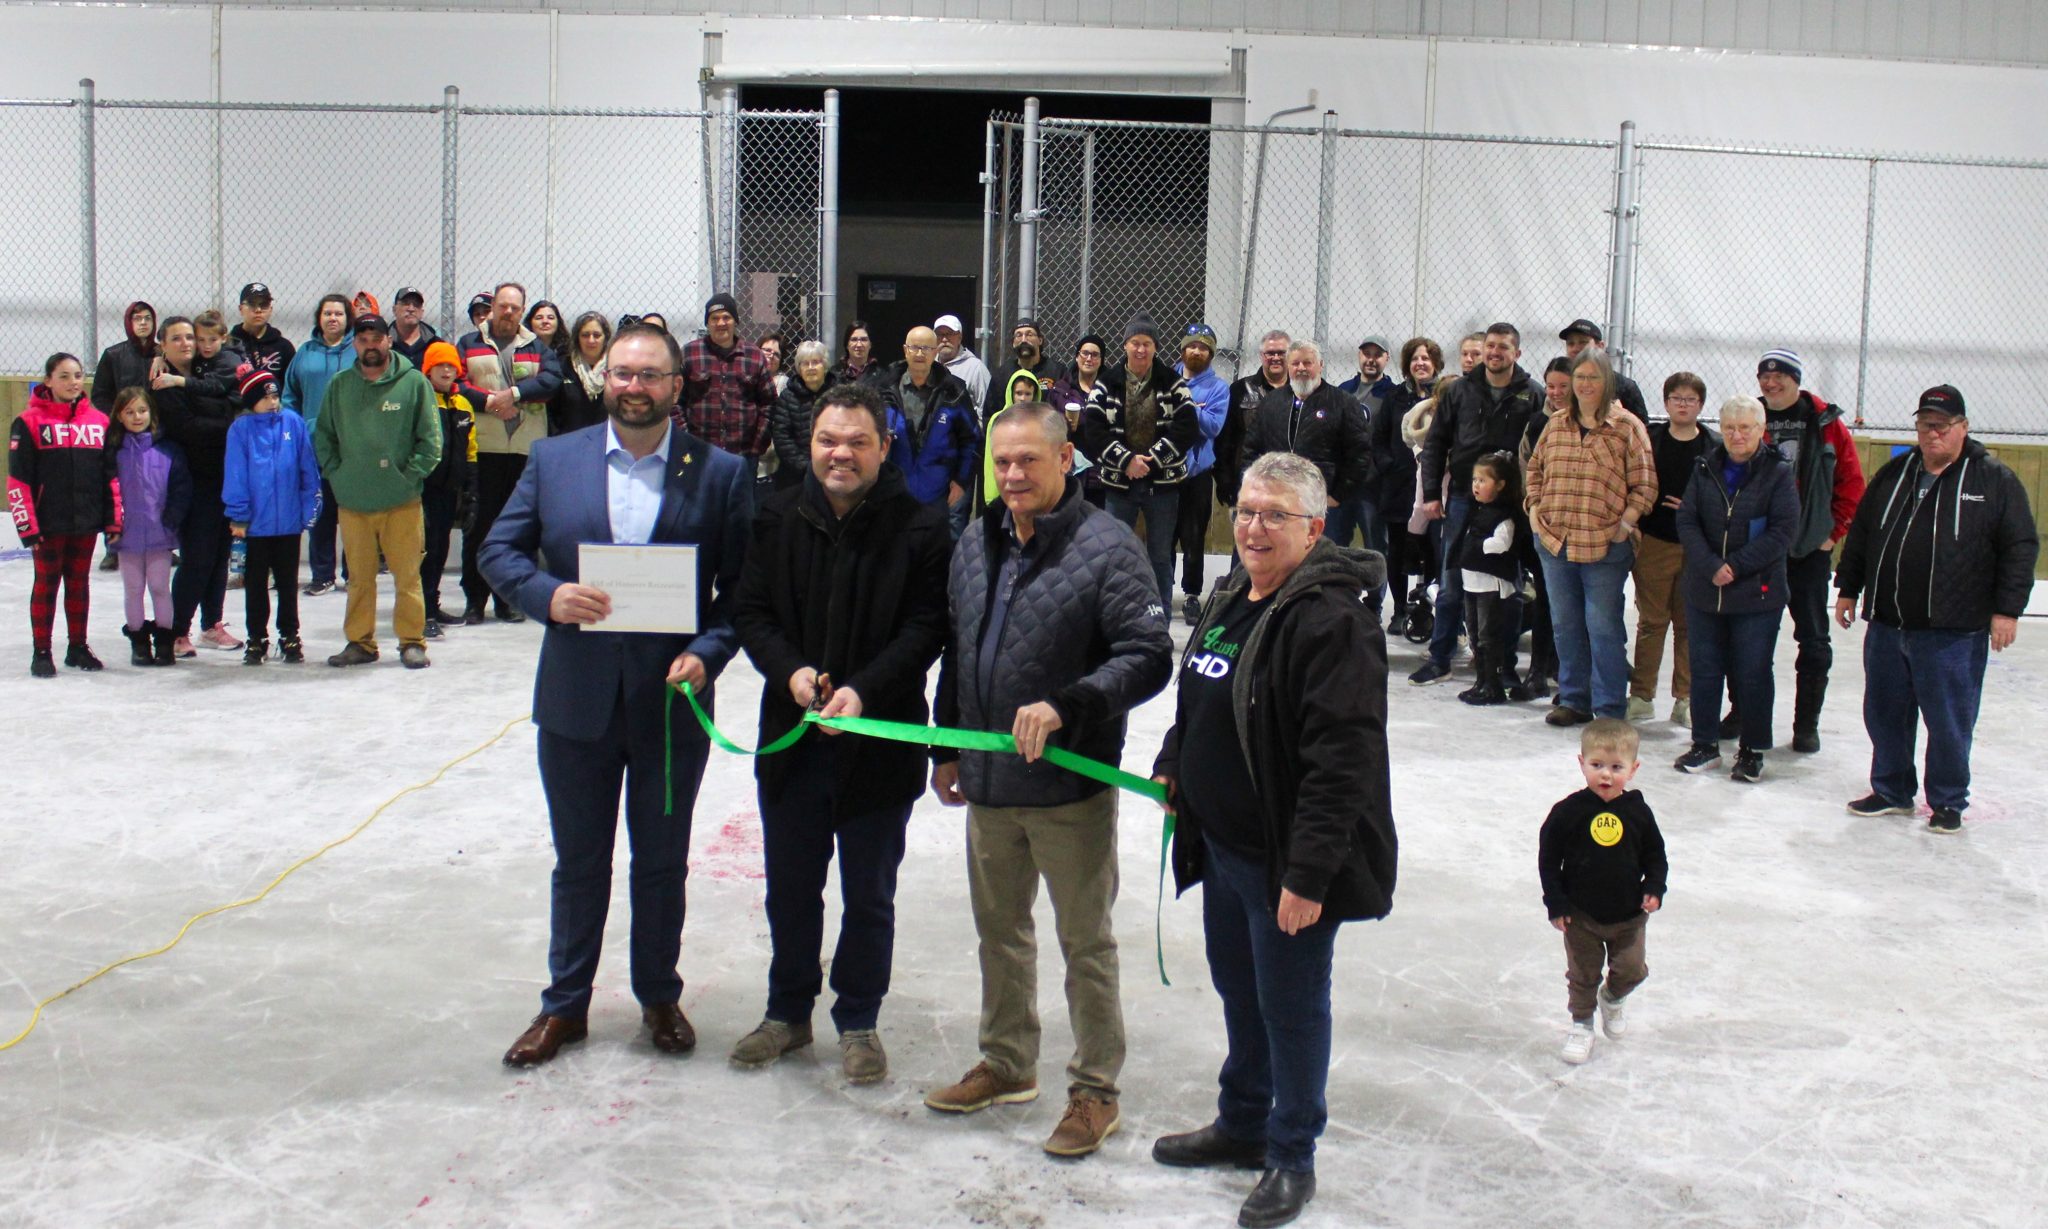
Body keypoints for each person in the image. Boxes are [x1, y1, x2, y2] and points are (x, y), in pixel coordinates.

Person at [479, 322, 752, 1068]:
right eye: (624, 374)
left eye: (651, 375)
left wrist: (707, 651)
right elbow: (497, 550)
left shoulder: (721, 473)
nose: (635, 387)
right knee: (579, 860)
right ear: (607, 382)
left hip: (671, 705)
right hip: (575, 701)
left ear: (676, 385)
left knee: (661, 861)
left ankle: (659, 994)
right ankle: (564, 1004)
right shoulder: (553, 460)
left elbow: (743, 594)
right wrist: (547, 593)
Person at [1149, 451, 1396, 1229]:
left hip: (1281, 861)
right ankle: (1244, 1119)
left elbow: (1343, 762)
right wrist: (1174, 763)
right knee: (1239, 990)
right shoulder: (1235, 592)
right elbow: (1203, 694)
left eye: (1274, 516)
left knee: (1290, 1008)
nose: (1252, 528)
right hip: (1222, 846)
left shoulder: (1332, 620)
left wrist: (1309, 875)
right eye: (1247, 511)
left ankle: (1292, 1152)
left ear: (1315, 528)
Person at [926, 401, 1173, 1159]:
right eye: (1001, 463)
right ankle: (1007, 1063)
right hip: (991, 785)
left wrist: (1071, 706)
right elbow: (959, 641)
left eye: (1028, 461)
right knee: (1000, 934)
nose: (1012, 475)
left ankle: (1095, 1088)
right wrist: (946, 742)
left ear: (1066, 460)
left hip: (1068, 792)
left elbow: (1149, 653)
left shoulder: (1108, 548)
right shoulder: (977, 539)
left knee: (1083, 942)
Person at [730, 383, 951, 1083]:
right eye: (829, 440)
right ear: (811, 444)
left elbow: (927, 628)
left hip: (879, 745)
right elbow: (752, 612)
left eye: (858, 441)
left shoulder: (919, 527)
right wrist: (792, 673)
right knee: (791, 887)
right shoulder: (774, 517)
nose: (841, 453)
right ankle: (787, 1011)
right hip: (792, 741)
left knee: (869, 891)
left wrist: (864, 688)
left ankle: (858, 1017)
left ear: (885, 448)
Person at [1835, 385, 2038, 833]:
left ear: (1963, 428)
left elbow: (2020, 547)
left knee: (1948, 721)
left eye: (1942, 427)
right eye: (1925, 425)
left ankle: (1947, 801)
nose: (1932, 435)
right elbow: (1865, 532)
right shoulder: (1895, 474)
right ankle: (1890, 790)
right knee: (1884, 713)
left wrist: (2007, 610)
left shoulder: (1993, 481)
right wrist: (1848, 587)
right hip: (1888, 623)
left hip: (1953, 630)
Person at [1727, 348, 1865, 752]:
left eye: (1779, 376)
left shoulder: (1827, 425)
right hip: (1758, 552)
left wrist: (1831, 534)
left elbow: (1851, 485)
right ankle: (1743, 713)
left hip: (1807, 553)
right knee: (1747, 639)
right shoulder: (1752, 419)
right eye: (1764, 377)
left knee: (1814, 640)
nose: (1770, 383)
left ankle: (1807, 724)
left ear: (1796, 379)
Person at [1525, 348, 1657, 725]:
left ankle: (1610, 707)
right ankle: (1574, 699)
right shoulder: (1556, 424)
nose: (1584, 385)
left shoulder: (1627, 427)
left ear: (1607, 383)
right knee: (1566, 626)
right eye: (1579, 378)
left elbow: (1645, 484)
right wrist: (1534, 511)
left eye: (1592, 378)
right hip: (1555, 543)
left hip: (1605, 547)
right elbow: (1534, 470)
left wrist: (1626, 524)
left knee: (1603, 628)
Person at [1672, 396, 1798, 781]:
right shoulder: (1705, 467)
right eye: (1730, 427)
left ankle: (1752, 749)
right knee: (1705, 669)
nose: (1737, 435)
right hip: (1705, 589)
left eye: (1745, 428)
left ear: (1761, 431)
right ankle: (1704, 744)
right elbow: (1688, 520)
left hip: (1756, 593)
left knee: (1753, 671)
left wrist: (1736, 566)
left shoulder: (1778, 473)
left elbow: (1782, 532)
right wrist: (1711, 566)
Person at [1413, 323, 1546, 686]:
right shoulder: (1459, 391)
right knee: (1452, 581)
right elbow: (1436, 444)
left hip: (1510, 506)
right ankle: (1440, 658)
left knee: (1509, 586)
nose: (1495, 353)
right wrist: (1430, 495)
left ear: (1517, 354)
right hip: (1461, 498)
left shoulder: (1532, 395)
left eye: (1504, 347)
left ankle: (1502, 666)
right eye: (1490, 345)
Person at [313, 314, 441, 669]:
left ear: (388, 340)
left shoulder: (414, 383)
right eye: (363, 339)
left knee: (407, 577)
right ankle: (360, 643)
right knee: (358, 579)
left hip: (401, 501)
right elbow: (323, 436)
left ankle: (412, 642)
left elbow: (431, 441)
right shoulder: (339, 386)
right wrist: (338, 475)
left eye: (377, 338)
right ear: (355, 343)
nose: (370, 345)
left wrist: (409, 478)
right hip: (354, 501)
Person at [1538, 718, 1666, 1065]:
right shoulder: (1568, 813)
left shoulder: (1638, 812)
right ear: (1581, 764)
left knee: (1633, 969)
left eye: (1616, 767)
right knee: (1582, 976)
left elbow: (1655, 854)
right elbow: (1549, 859)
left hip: (1629, 916)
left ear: (1633, 768)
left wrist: (1654, 886)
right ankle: (1581, 1025)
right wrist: (1556, 903)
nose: (1606, 776)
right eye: (1596, 766)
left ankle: (1612, 996)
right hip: (1581, 916)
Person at [1080, 313, 1203, 609]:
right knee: (1115, 551)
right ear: (1125, 345)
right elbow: (1093, 429)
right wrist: (1126, 462)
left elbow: (1187, 427)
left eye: (1147, 343)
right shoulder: (1106, 383)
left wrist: (1152, 459)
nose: (1140, 349)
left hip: (1162, 486)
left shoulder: (1173, 383)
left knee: (1160, 555)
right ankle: (1113, 613)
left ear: (1156, 347)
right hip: (1119, 485)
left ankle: (1159, 615)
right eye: (1135, 342)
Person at [457, 282, 563, 624]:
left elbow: (551, 381)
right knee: (479, 527)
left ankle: (510, 600)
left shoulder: (535, 345)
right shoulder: (469, 343)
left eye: (514, 307)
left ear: (522, 310)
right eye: (502, 305)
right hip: (483, 448)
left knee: (519, 528)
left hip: (522, 450)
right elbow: (456, 382)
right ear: (493, 307)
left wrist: (514, 393)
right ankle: (475, 600)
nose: (507, 312)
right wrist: (487, 401)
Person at [9, 353, 115, 676]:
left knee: (79, 583)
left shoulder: (99, 422)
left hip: (85, 521)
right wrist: (28, 527)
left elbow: (111, 476)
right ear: (48, 381)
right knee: (46, 584)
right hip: (47, 524)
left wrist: (112, 520)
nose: (73, 383)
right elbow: (18, 481)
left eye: (78, 375)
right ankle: (42, 650)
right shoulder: (28, 423)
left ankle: (78, 646)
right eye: (65, 376)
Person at [153, 317, 243, 656]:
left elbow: (230, 397)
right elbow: (187, 428)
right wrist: (228, 424)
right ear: (163, 344)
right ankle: (177, 630)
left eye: (190, 337)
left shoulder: (206, 373)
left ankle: (211, 624)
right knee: (198, 557)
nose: (187, 343)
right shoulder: (163, 384)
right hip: (192, 481)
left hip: (222, 477)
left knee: (220, 554)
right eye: (177, 338)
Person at [1628, 373, 1715, 725]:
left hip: (1696, 547)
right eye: (1676, 398)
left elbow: (1722, 498)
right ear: (1665, 403)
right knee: (1651, 621)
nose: (1683, 404)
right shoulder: (1650, 441)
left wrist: (1694, 508)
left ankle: (1685, 699)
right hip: (1655, 542)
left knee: (1689, 624)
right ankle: (1641, 696)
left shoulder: (1713, 447)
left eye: (1690, 399)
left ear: (1700, 405)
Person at [1239, 341, 1371, 567]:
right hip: (1276, 502)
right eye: (1295, 363)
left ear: (1320, 365)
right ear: (1288, 367)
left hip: (1325, 505)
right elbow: (1251, 449)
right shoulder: (1272, 403)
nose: (1301, 368)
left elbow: (1359, 454)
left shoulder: (1343, 403)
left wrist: (1337, 495)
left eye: (1307, 362)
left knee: (1322, 566)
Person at [221, 367, 321, 665]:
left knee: (288, 583)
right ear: (251, 401)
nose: (273, 401)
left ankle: (290, 634)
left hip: (288, 523)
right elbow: (236, 475)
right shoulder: (241, 430)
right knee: (255, 584)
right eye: (265, 397)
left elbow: (308, 469)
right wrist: (239, 515)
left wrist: (309, 507)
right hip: (256, 526)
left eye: (275, 395)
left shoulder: (294, 423)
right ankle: (257, 637)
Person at [106, 388, 191, 667]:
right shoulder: (113, 453)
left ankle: (165, 642)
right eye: (129, 412)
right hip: (126, 534)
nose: (136, 416)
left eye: (141, 410)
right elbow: (105, 491)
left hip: (160, 533)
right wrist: (111, 524)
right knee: (133, 588)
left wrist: (171, 520)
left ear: (151, 412)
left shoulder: (168, 450)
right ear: (119, 415)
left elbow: (181, 489)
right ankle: (139, 642)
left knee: (159, 587)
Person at [864, 325, 977, 525]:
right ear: (905, 350)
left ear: (935, 352)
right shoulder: (882, 390)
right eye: (914, 347)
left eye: (926, 348)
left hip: (937, 496)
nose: (919, 353)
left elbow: (972, 440)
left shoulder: (954, 391)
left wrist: (961, 481)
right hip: (893, 495)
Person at [284, 294, 355, 597]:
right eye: (327, 313)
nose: (333, 319)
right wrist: (300, 430)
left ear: (347, 318)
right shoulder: (305, 353)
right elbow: (289, 396)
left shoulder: (359, 352)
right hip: (315, 449)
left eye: (338, 313)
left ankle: (355, 574)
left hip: (353, 449)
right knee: (322, 514)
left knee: (353, 515)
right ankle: (322, 575)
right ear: (319, 318)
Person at [1370, 338, 1439, 636]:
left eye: (1425, 358)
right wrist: (1390, 466)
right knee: (1396, 551)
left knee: (1432, 550)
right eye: (1414, 359)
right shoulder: (1394, 398)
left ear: (1435, 363)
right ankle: (1399, 610)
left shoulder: (1445, 395)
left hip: (1434, 489)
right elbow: (1379, 439)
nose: (1420, 363)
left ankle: (1425, 609)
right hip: (1399, 487)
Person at [418, 341, 478, 638]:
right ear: (428, 369)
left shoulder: (462, 405)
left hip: (448, 489)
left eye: (451, 365)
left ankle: (433, 604)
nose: (446, 370)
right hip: (423, 489)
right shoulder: (421, 401)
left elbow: (471, 448)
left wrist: (470, 488)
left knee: (440, 548)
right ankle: (421, 611)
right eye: (439, 365)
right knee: (424, 551)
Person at [1454, 452, 1522, 707]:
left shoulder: (1503, 514)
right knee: (1474, 634)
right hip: (1471, 581)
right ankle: (1481, 680)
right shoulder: (1476, 510)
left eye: (1483, 480)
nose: (1476, 485)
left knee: (1488, 636)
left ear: (1501, 485)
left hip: (1490, 586)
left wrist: (1477, 546)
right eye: (1474, 480)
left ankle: (1493, 684)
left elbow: (1502, 543)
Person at [1173, 323, 1229, 623]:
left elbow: (1212, 426)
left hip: (1197, 475)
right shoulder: (1165, 379)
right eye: (1192, 345)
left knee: (1194, 537)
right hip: (1166, 472)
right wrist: (1195, 406)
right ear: (1183, 349)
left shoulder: (1218, 388)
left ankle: (1192, 595)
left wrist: (1185, 404)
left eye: (1204, 347)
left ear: (1210, 353)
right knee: (1163, 537)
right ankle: (1160, 591)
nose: (1197, 351)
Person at [678, 293, 775, 467]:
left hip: (743, 457)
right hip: (698, 455)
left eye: (726, 317)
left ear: (735, 321)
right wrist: (684, 440)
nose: (721, 323)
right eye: (714, 318)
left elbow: (768, 404)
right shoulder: (689, 354)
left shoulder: (754, 356)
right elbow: (674, 402)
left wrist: (756, 446)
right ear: (707, 323)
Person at [1330, 335, 1395, 554]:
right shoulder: (1343, 390)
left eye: (1378, 355)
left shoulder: (1392, 394)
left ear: (1387, 358)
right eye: (1367, 354)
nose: (1371, 360)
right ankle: (1336, 588)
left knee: (1375, 545)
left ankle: (1377, 589)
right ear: (1359, 356)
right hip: (1343, 485)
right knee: (1334, 544)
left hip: (1373, 486)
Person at [1217, 329, 1290, 510]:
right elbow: (1226, 439)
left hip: (1290, 484)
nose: (1275, 358)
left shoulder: (1302, 391)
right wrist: (1224, 480)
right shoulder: (1240, 390)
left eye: (1281, 353)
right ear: (1261, 356)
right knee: (1247, 537)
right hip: (1247, 481)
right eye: (1270, 353)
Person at [1047, 334, 1108, 507]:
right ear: (1077, 356)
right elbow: (1048, 425)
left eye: (1095, 355)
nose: (1089, 358)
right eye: (1085, 353)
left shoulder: (1110, 389)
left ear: (1101, 360)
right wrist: (1064, 425)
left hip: (1101, 472)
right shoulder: (1060, 390)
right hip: (1070, 471)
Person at [767, 339, 832, 489]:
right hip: (796, 477)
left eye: (815, 362)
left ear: (825, 365)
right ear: (798, 367)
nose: (810, 367)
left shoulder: (838, 393)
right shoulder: (788, 397)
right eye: (805, 363)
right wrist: (807, 467)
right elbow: (782, 438)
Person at [1557, 319, 1648, 419]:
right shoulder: (1557, 381)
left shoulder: (1624, 386)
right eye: (1570, 343)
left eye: (1583, 342)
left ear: (1600, 346)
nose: (1575, 348)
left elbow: (1642, 428)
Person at [91, 301, 159, 418]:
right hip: (122, 422)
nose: (143, 323)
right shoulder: (113, 355)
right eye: (137, 318)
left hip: (156, 423)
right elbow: (99, 395)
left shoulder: (162, 354)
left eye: (148, 318)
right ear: (129, 322)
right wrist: (118, 417)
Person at [982, 318, 1057, 420]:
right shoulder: (1002, 374)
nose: (1023, 340)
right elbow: (990, 414)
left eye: (1029, 335)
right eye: (1019, 335)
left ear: (1040, 340)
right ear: (1013, 342)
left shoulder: (1056, 371)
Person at [554, 312, 611, 436]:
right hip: (568, 441)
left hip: (605, 441)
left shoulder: (615, 368)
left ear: (605, 337)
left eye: (597, 335)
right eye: (585, 335)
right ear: (577, 338)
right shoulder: (562, 366)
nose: (591, 340)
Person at [230, 283, 296, 376]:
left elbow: (292, 385)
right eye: (252, 304)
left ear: (271, 309)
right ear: (240, 309)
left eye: (264, 304)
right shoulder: (229, 344)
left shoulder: (284, 347)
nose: (258, 310)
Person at [933, 313, 991, 409]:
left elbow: (986, 408)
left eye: (949, 334)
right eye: (940, 334)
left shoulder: (976, 368)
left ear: (959, 337)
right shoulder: (929, 365)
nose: (944, 339)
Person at [388, 287, 439, 369]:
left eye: (416, 304)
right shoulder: (384, 344)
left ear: (422, 312)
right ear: (394, 309)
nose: (411, 309)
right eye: (406, 303)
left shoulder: (436, 344)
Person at [830, 319, 875, 385]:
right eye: (854, 340)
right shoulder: (834, 374)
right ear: (847, 345)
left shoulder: (881, 375)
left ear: (870, 344)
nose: (859, 344)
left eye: (864, 340)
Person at [756, 331, 788, 397]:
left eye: (776, 354)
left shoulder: (782, 382)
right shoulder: (748, 376)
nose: (771, 356)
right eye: (767, 350)